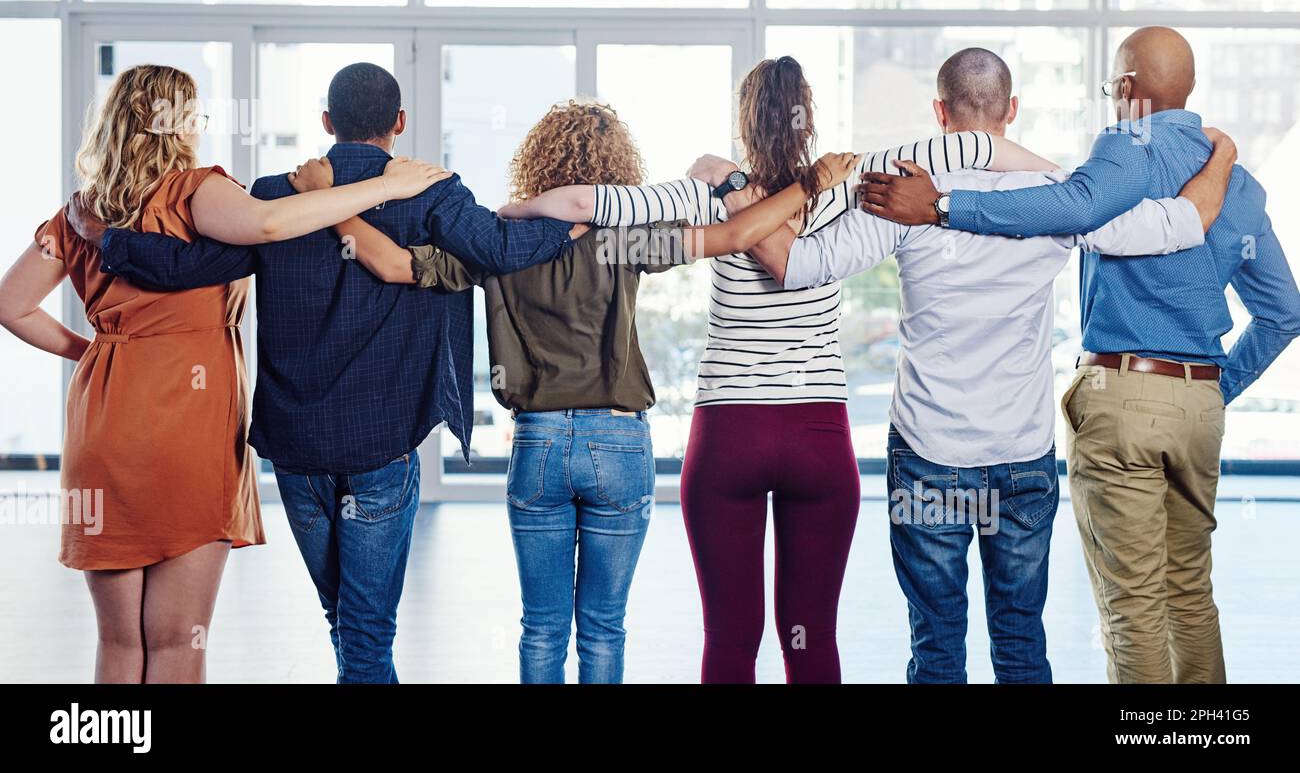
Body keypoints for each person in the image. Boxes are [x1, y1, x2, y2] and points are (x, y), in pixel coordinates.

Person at [491, 55, 1059, 683]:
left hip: (728, 435)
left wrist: (512, 213)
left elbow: (580, 202)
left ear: (742, 121)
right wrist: (1058, 173)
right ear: (807, 119)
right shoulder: (848, 184)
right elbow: (977, 149)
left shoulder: (704, 191)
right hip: (817, 437)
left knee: (731, 638)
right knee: (810, 636)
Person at [287, 99, 859, 683]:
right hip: (618, 442)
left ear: (537, 160)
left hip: (538, 444)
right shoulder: (627, 238)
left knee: (541, 627)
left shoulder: (496, 239)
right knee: (605, 628)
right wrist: (802, 187)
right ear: (617, 165)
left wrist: (328, 208)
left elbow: (389, 265)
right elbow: (739, 235)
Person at [64, 62, 576, 684]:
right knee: (363, 633)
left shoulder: (276, 194)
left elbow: (181, 267)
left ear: (327, 123)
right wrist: (587, 215)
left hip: (300, 451)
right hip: (382, 445)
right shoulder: (431, 191)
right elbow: (502, 249)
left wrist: (105, 237)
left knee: (346, 622)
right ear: (400, 123)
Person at [741, 47, 1237, 683]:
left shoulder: (902, 196)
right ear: (1013, 110)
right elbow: (1181, 222)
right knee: (1021, 641)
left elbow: (797, 265)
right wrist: (1222, 155)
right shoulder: (1060, 199)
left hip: (929, 452)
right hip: (1020, 455)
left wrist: (741, 196)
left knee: (937, 645)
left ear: (940, 112)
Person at [859, 28, 1300, 684]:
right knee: (1189, 592)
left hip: (1122, 396)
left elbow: (1072, 205)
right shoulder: (1237, 183)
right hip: (1199, 404)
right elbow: (1283, 312)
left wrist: (944, 206)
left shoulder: (1123, 150)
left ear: (1126, 91)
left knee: (1134, 607)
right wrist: (1212, 387)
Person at [0, 64, 442, 683]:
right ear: (178, 124)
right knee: (179, 642)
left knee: (121, 644)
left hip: (102, 425)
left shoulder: (79, 214)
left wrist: (96, 351)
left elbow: (10, 304)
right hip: (187, 430)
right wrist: (385, 190)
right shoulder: (199, 191)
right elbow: (269, 224)